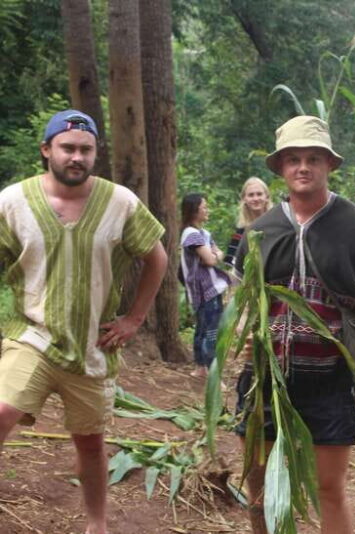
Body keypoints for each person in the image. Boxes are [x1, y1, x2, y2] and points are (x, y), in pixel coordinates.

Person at [0, 109, 167, 534]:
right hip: (32, 334)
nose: (76, 157)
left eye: (85, 150)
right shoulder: (12, 202)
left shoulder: (120, 202)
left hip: (94, 344)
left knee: (90, 444)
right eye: (68, 148)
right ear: (46, 150)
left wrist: (134, 319)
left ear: (95, 154)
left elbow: (157, 258)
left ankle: (97, 523)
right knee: (1, 411)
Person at [234, 116, 355, 534]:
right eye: (293, 159)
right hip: (267, 381)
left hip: (329, 380)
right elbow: (246, 309)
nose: (303, 167)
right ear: (281, 168)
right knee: (261, 487)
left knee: (329, 489)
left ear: (329, 165)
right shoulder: (263, 230)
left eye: (313, 158)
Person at [180, 193, 231, 379]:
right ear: (194, 210)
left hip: (211, 289)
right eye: (204, 206)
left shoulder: (204, 234)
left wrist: (215, 255)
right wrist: (214, 255)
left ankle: (200, 368)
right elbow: (211, 258)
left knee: (203, 328)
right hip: (204, 290)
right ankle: (212, 373)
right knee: (211, 331)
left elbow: (219, 254)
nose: (207, 210)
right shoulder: (191, 234)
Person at [223, 177, 272, 268]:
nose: (255, 198)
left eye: (259, 194)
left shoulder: (276, 225)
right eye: (251, 195)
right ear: (244, 199)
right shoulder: (240, 232)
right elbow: (231, 264)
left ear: (267, 197)